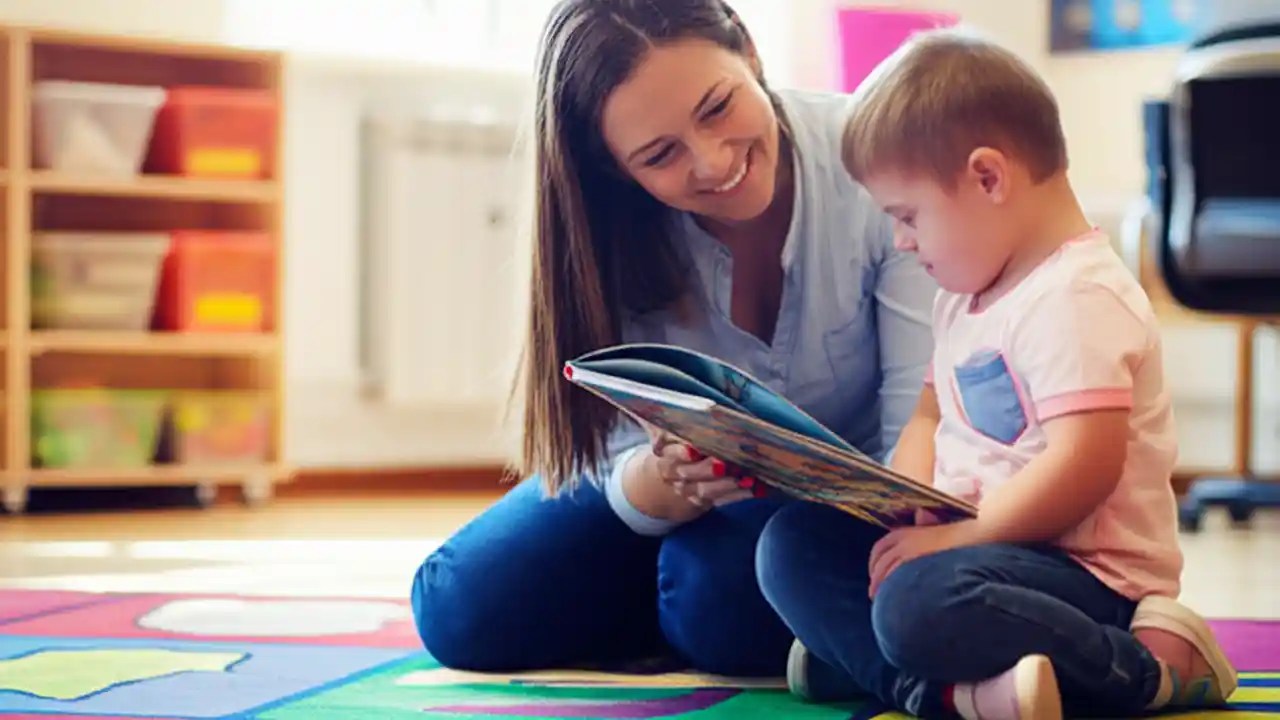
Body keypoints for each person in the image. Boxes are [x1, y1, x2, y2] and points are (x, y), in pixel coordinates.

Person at [409, 0, 934, 676]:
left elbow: (916, 427)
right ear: (618, 172)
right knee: (456, 605)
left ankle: (676, 607)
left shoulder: (874, 164)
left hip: (845, 507)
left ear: (748, 51)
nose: (714, 163)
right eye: (660, 155)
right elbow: (612, 444)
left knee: (714, 604)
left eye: (718, 107)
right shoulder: (611, 227)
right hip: (667, 489)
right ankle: (694, 606)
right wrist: (658, 486)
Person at [756, 29, 1239, 720]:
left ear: (988, 178)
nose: (901, 240)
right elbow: (929, 410)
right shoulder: (965, 293)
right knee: (790, 545)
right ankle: (937, 688)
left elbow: (1083, 468)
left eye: (907, 215)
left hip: (1083, 572)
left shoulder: (1077, 296)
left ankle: (1142, 667)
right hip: (982, 547)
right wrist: (904, 498)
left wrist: (952, 540)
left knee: (916, 604)